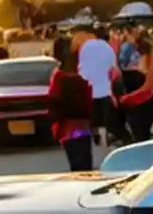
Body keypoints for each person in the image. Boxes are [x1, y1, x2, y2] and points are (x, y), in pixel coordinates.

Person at [47, 36, 93, 172]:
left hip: (67, 128)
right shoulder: (83, 73)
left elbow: (53, 100)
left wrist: (54, 123)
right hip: (84, 125)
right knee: (86, 164)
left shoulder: (59, 76)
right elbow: (90, 98)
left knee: (76, 165)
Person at [73, 24, 121, 147]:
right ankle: (110, 134)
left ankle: (95, 134)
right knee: (108, 114)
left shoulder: (85, 47)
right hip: (105, 88)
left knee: (92, 115)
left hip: (90, 88)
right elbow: (113, 68)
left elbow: (81, 67)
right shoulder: (107, 48)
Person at [120, 38, 153, 142]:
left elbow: (148, 86)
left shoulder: (151, 61)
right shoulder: (148, 59)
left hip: (143, 101)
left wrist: (128, 97)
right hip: (143, 99)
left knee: (140, 130)